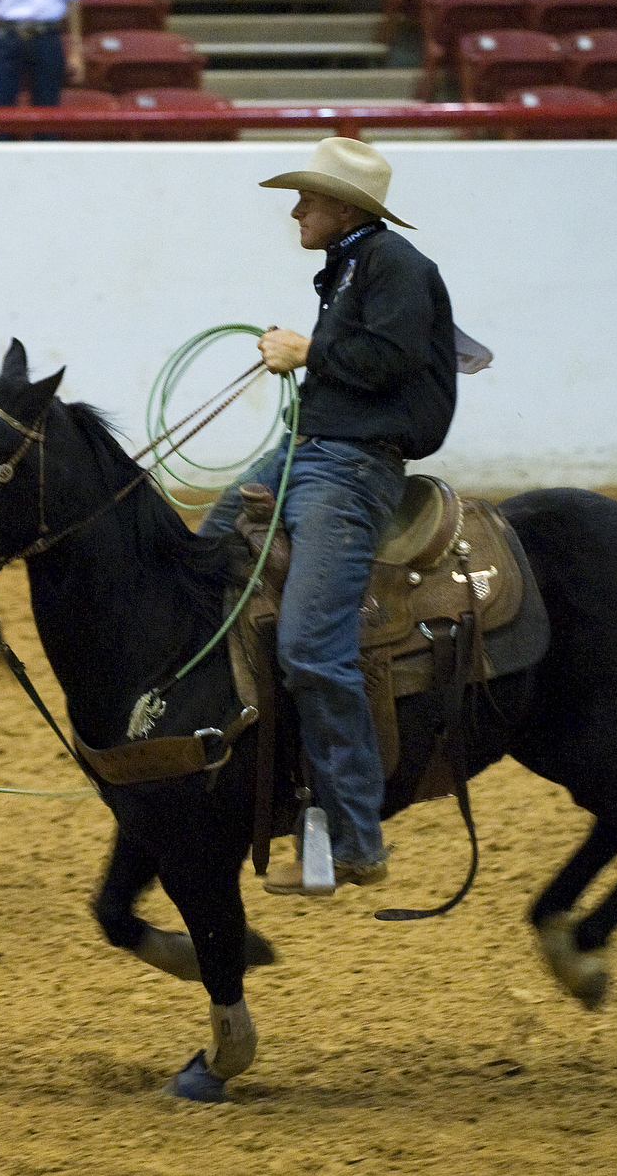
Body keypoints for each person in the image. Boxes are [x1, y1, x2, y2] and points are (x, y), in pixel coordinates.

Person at [199, 137, 458, 895]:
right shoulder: (350, 267)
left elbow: (393, 358)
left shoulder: (395, 265)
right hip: (307, 453)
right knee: (205, 551)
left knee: (314, 646)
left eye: (307, 198)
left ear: (344, 206)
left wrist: (309, 350)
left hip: (350, 469)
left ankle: (357, 837)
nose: (296, 209)